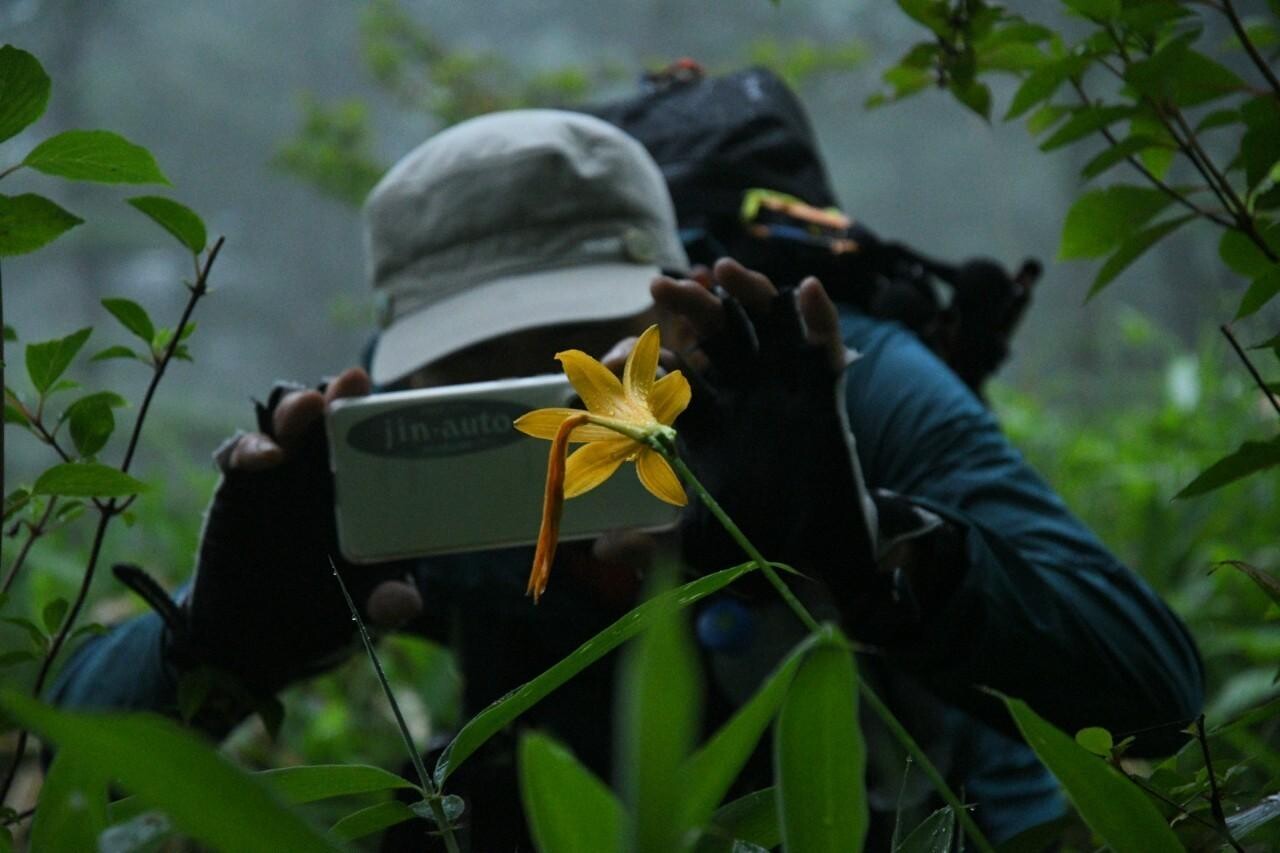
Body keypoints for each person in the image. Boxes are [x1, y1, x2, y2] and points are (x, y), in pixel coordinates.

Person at [48, 105, 1203, 849]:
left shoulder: (844, 387)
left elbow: (1152, 681)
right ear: (407, 368)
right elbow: (63, 781)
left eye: (582, 349)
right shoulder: (375, 463)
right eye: (476, 381)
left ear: (678, 296)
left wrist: (861, 548)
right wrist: (218, 640)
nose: (546, 404)